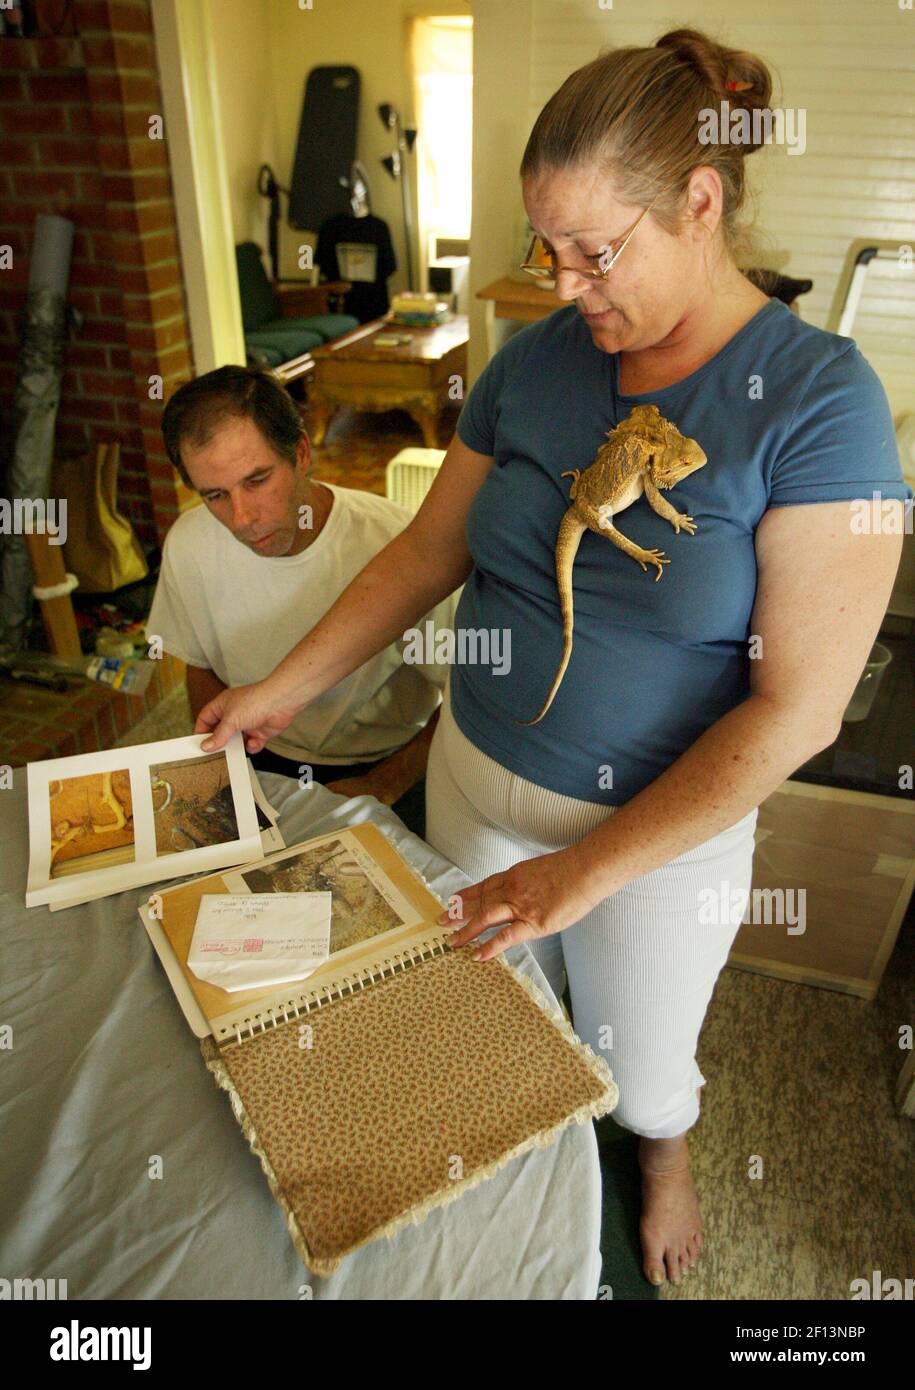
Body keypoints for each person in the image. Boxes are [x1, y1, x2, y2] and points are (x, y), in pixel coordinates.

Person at [191, 29, 911, 1290]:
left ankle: (667, 1157)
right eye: (551, 250)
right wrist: (279, 691)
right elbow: (423, 554)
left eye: (597, 252)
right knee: (474, 1035)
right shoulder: (535, 364)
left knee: (640, 1059)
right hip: (475, 773)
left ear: (700, 200)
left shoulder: (819, 400)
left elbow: (797, 710)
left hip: (652, 835)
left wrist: (584, 871)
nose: (567, 285)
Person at [148, 365, 452, 834]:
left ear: (302, 452)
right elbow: (200, 662)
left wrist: (384, 784)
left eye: (257, 480)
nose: (243, 517)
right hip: (258, 758)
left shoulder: (401, 550)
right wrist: (224, 766)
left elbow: (466, 701)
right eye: (215, 495)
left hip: (387, 762)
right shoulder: (189, 543)